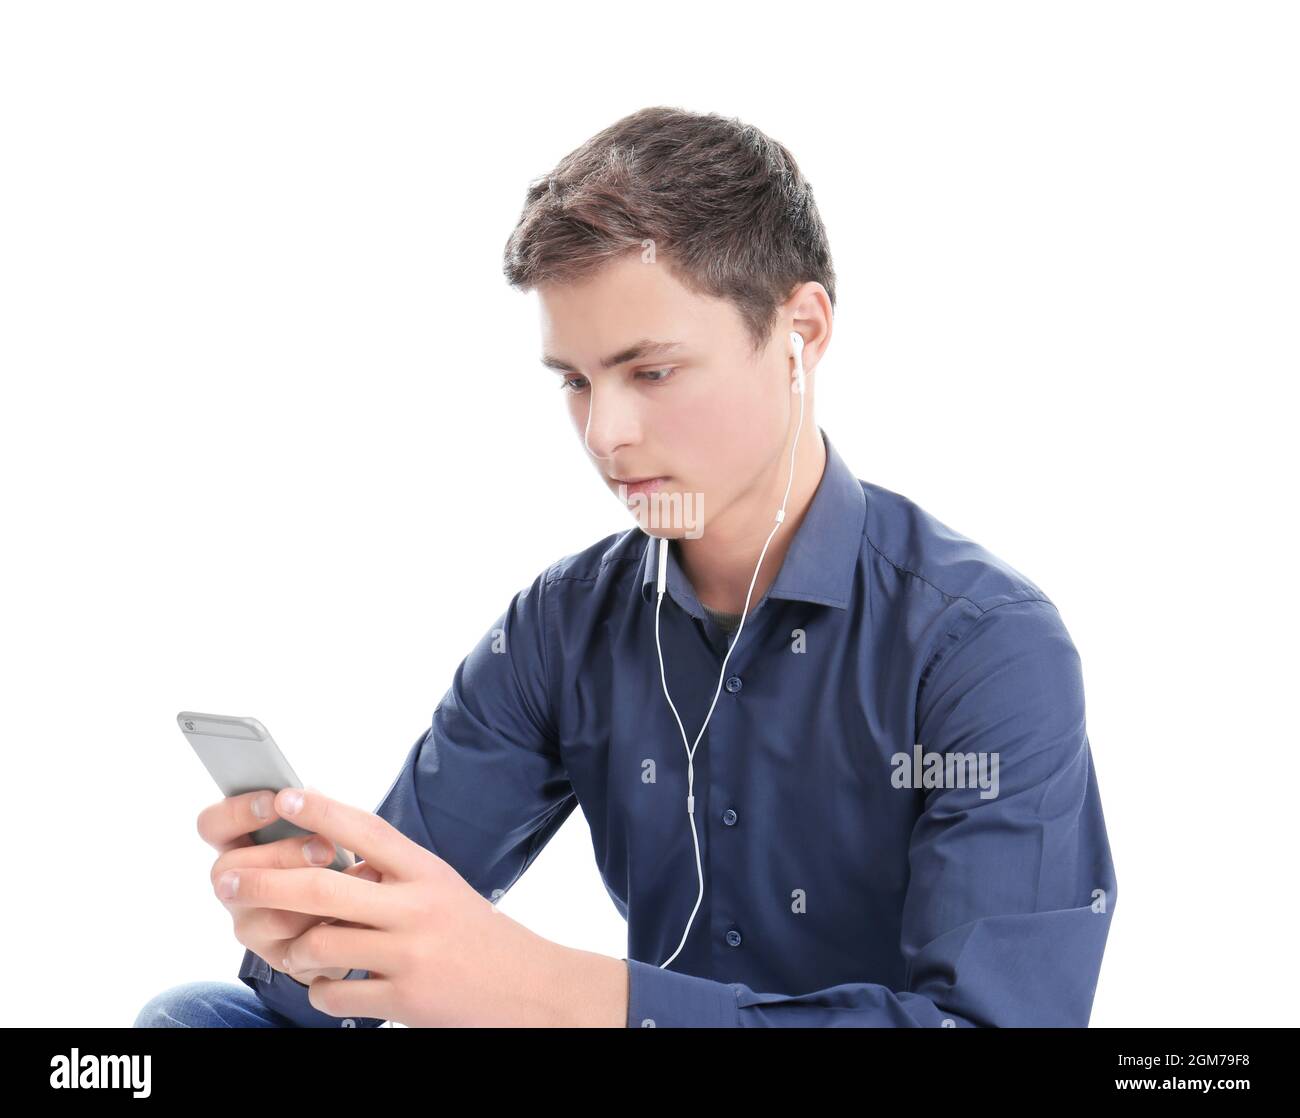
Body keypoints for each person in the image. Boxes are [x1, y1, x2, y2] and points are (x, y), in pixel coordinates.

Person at [135, 105, 1116, 1028]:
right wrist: (313, 927)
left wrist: (539, 984)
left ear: (799, 334)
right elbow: (355, 971)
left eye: (650, 372)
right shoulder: (561, 625)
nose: (605, 434)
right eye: (575, 380)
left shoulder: (983, 643)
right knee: (197, 1019)